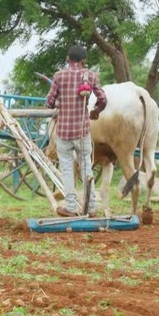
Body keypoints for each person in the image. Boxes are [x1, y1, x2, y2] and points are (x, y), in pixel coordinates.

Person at [45, 45, 107, 217]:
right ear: (84, 60)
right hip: (82, 131)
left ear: (67, 58)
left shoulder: (59, 76)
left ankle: (71, 207)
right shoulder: (91, 76)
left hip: (64, 132)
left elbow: (49, 102)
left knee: (66, 168)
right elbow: (102, 99)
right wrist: (95, 111)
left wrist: (58, 104)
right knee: (87, 167)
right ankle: (92, 207)